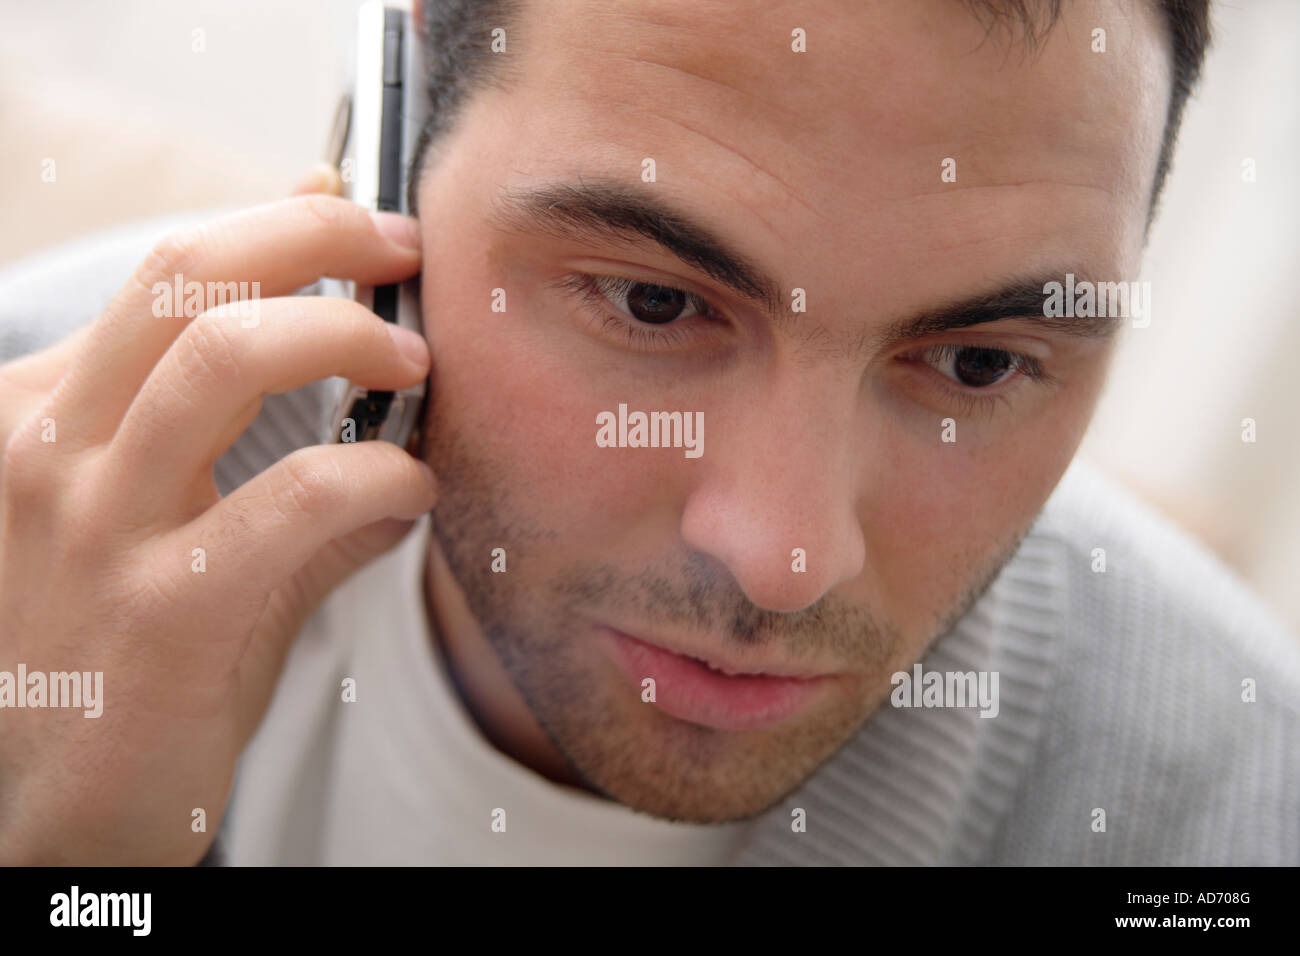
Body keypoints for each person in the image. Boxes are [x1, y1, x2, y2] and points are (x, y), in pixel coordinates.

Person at [1, 0, 1296, 866]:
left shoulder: (1234, 805)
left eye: (977, 363)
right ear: (388, 161)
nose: (786, 556)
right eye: (655, 301)